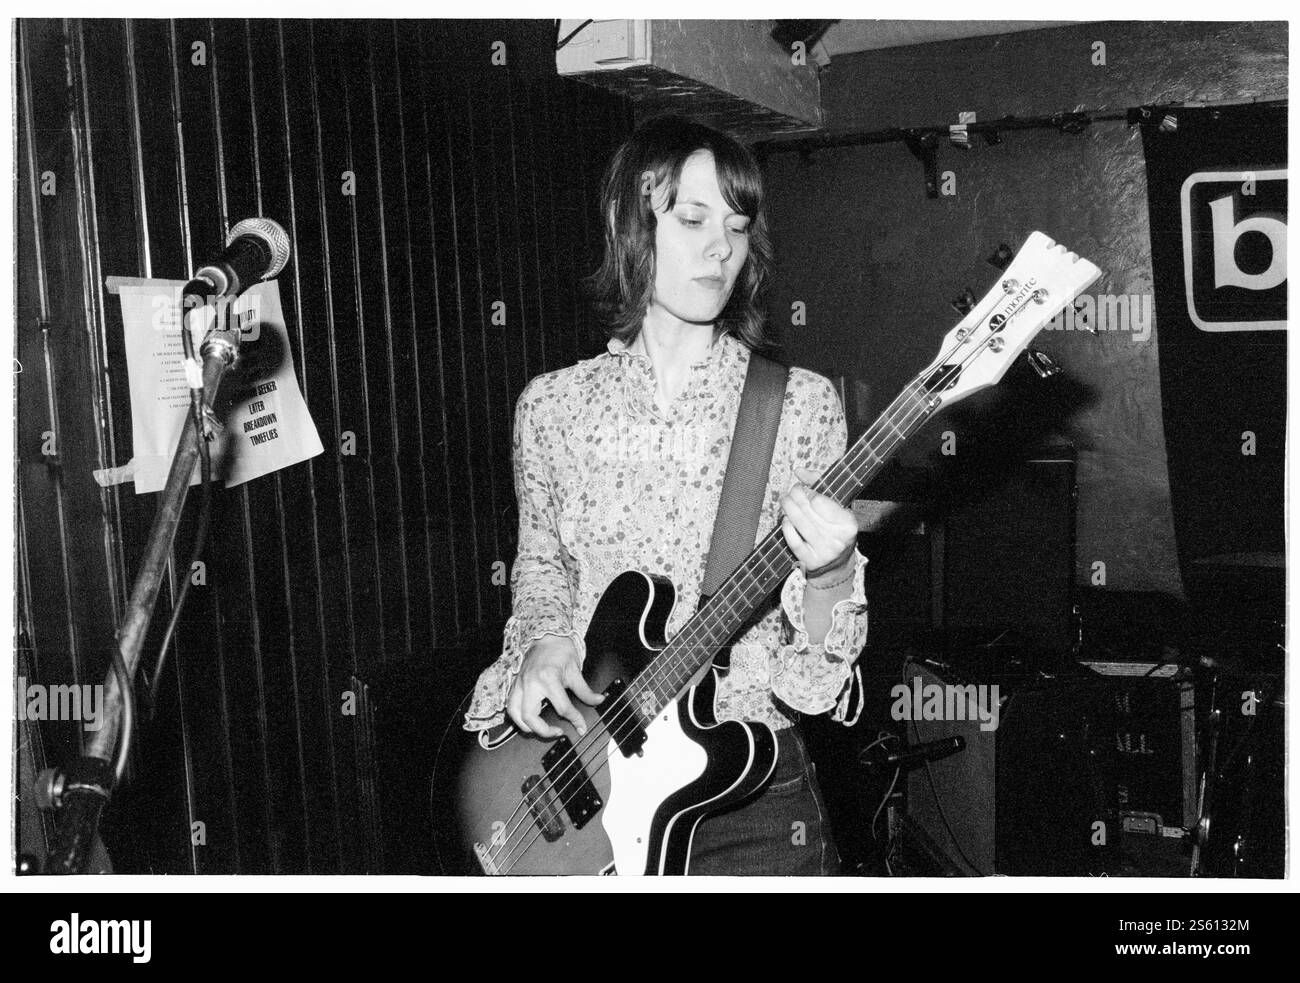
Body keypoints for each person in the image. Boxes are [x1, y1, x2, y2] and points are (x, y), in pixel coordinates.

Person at [463, 114, 868, 875]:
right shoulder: (551, 407)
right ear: (631, 222)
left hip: (747, 789)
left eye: (739, 225)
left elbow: (813, 679)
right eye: (692, 218)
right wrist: (545, 642)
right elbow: (542, 565)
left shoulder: (799, 406)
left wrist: (831, 572)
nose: (722, 245)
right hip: (580, 771)